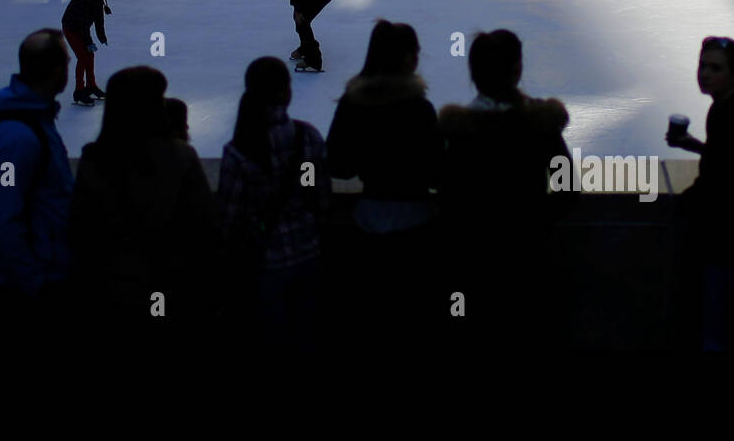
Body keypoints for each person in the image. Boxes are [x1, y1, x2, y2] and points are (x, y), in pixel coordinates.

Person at [69, 66, 218, 347]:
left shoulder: (94, 160)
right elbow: (205, 224)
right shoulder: (180, 156)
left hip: (112, 292)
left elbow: (80, 230)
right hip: (170, 284)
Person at [437, 30, 571, 329]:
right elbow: (567, 188)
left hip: (475, 263)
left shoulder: (457, 133)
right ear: (517, 70)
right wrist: (534, 223)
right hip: (530, 260)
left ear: (474, 73)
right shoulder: (542, 125)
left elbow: (447, 194)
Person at [326, 20, 444, 339]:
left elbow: (339, 166)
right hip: (418, 224)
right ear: (406, 59)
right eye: (416, 53)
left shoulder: (353, 105)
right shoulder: (420, 109)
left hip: (369, 220)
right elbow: (438, 172)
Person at [665, 36, 734, 350]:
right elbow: (729, 158)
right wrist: (697, 146)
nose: (705, 74)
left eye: (715, 68)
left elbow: (725, 178)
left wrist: (684, 201)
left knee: (720, 324)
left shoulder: (731, 114)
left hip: (729, 236)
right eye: (702, 66)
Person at [216, 57, 331, 350]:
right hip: (309, 254)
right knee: (309, 334)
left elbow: (229, 218)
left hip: (264, 263)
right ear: (286, 92)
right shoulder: (308, 138)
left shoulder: (239, 151)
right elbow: (319, 197)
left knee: (272, 338)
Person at [0, 29, 74, 330]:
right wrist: (35, 284)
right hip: (29, 286)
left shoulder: (34, 118)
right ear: (57, 70)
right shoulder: (16, 137)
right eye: (67, 61)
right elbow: (5, 217)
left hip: (42, 270)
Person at [61, 0, 112, 105]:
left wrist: (101, 35)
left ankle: (91, 86)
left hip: (80, 28)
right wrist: (88, 41)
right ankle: (79, 91)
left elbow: (98, 17)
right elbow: (83, 23)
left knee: (89, 55)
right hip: (71, 28)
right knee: (83, 57)